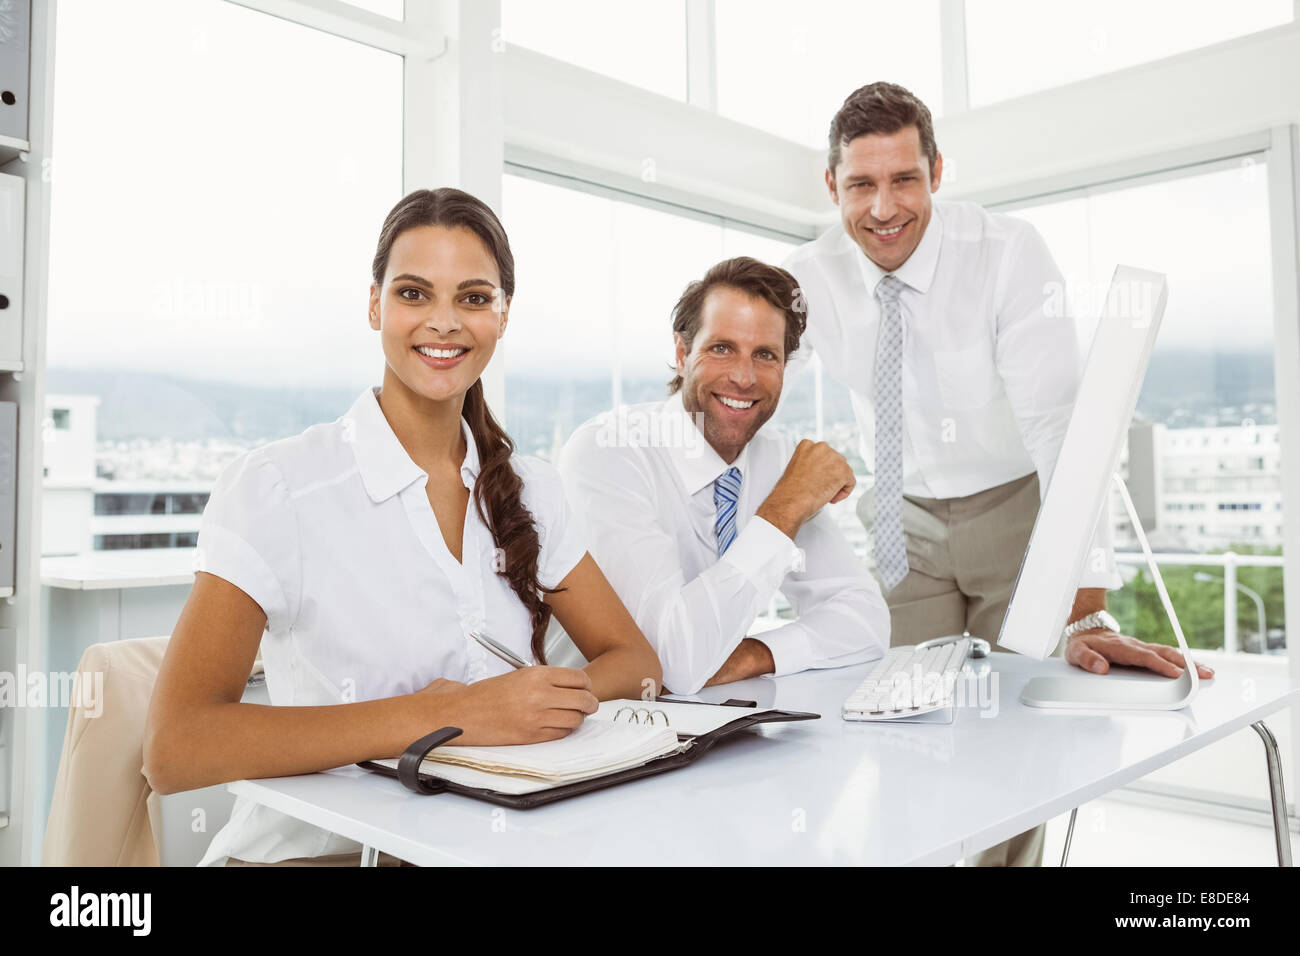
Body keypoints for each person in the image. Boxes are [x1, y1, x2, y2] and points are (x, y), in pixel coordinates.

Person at [144, 187, 663, 866]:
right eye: (414, 293)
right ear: (374, 306)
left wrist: (531, 704)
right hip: (314, 857)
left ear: (503, 317)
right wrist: (447, 717)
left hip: (492, 847)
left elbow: (637, 663)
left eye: (474, 298)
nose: (444, 322)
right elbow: (175, 748)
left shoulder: (532, 488)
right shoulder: (279, 488)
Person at [782, 81, 1213, 865]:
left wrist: (1084, 605)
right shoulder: (808, 277)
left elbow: (1058, 430)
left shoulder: (1008, 255)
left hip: (1019, 512)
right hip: (898, 516)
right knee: (903, 723)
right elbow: (752, 378)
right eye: (862, 184)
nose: (884, 208)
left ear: (937, 173)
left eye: (904, 179)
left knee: (1017, 735)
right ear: (832, 186)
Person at [558, 257, 889, 696]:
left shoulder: (776, 459)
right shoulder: (610, 452)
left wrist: (753, 655)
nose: (743, 377)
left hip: (710, 727)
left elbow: (866, 620)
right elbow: (668, 663)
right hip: (589, 732)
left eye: (765, 355)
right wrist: (785, 507)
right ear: (681, 354)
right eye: (721, 348)